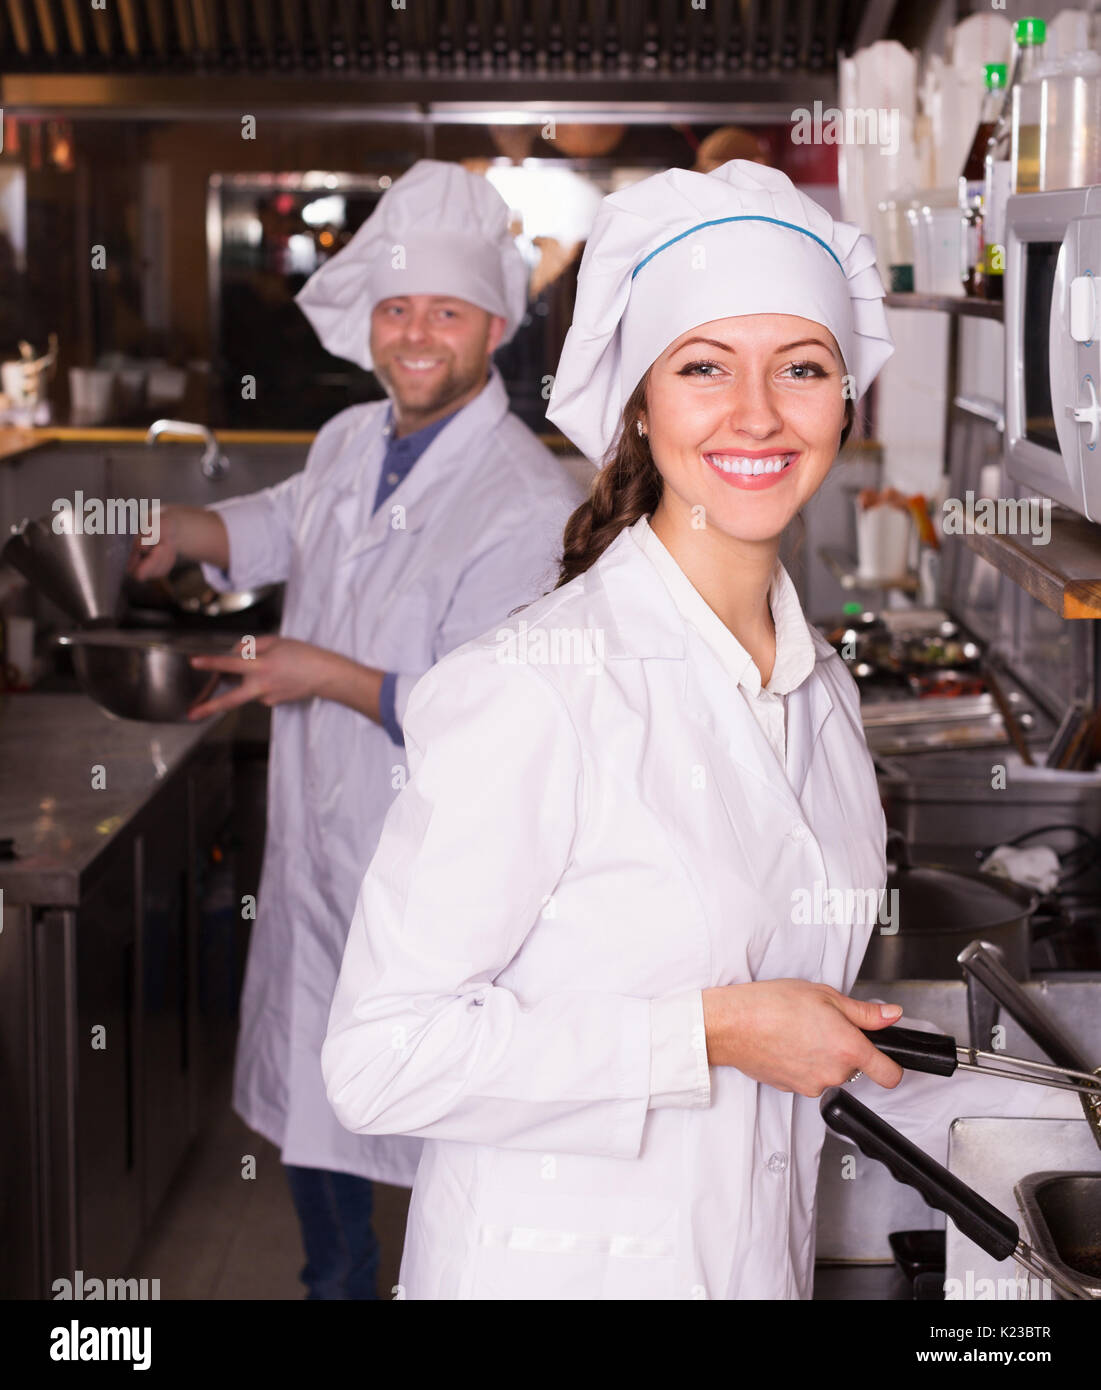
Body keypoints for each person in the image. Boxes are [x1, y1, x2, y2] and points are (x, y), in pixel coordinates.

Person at [321, 160, 1077, 1301]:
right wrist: (708, 1033)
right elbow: (379, 1061)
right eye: (706, 367)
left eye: (803, 368)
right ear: (642, 398)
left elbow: (794, 1036)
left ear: (844, 400)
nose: (759, 415)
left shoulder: (819, 694)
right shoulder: (536, 688)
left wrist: (1044, 1112)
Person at [131, 160, 585, 1300]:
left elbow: (489, 718)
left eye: (444, 310)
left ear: (492, 325)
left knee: (459, 1171)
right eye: (396, 307)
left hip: (444, 880)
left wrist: (315, 671)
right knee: (321, 1136)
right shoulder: (346, 441)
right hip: (320, 854)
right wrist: (162, 528)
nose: (415, 333)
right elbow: (269, 529)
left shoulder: (528, 501)